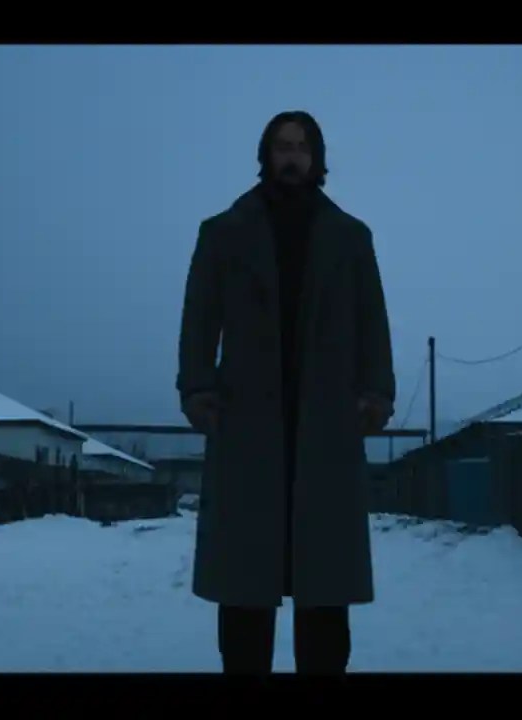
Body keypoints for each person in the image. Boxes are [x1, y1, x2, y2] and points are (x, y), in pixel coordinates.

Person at [176, 110, 396, 674]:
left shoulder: (351, 237)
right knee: (246, 587)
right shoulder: (223, 233)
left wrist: (376, 391)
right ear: (266, 155)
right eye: (281, 146)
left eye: (301, 146)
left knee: (324, 588)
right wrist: (198, 387)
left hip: (325, 423)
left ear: (317, 158)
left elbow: (372, 319)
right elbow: (200, 318)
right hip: (247, 421)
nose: (292, 156)